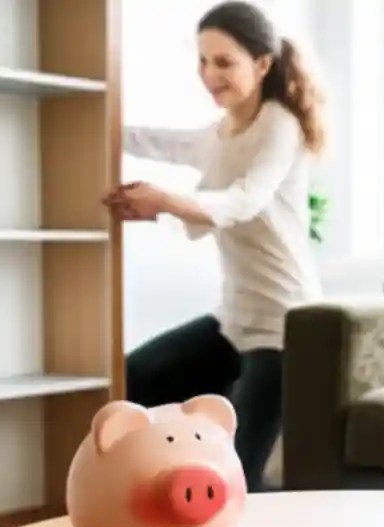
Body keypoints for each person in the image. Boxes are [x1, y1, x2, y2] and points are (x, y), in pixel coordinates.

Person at [103, 0, 326, 493]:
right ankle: (133, 503)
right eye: (203, 61)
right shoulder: (218, 134)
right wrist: (98, 122)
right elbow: (157, 142)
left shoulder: (279, 126)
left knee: (236, 474)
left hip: (285, 327)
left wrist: (164, 201)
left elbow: (245, 200)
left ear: (262, 64)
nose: (210, 75)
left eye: (224, 62)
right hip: (234, 322)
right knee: (131, 379)